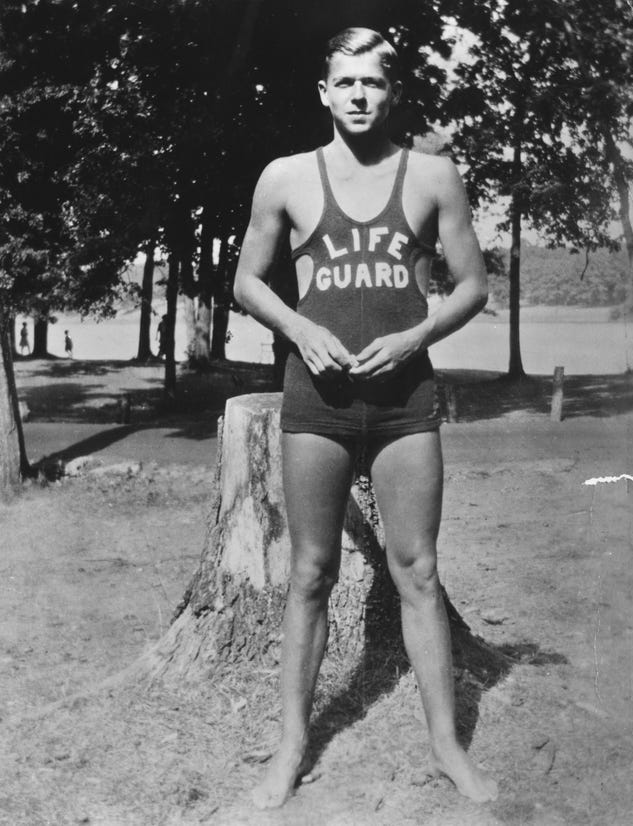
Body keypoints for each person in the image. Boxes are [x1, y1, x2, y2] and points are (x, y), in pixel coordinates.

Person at [234, 27, 498, 808]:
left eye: (372, 83)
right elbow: (249, 281)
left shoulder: (432, 176)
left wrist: (417, 333)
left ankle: (447, 745)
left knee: (416, 569)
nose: (358, 95)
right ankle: (290, 748)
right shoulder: (285, 177)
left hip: (405, 403)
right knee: (311, 573)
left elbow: (473, 285)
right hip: (316, 401)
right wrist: (301, 327)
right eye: (344, 82)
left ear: (391, 92)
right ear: (323, 92)